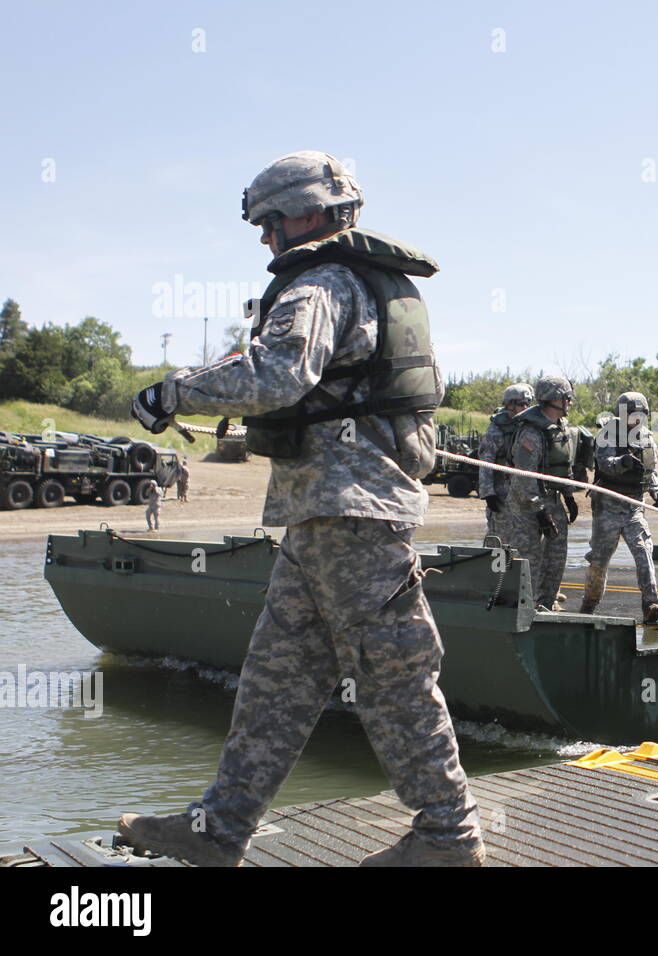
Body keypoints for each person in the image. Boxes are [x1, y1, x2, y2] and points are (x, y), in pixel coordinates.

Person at [122, 150, 482, 866]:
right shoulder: (357, 282)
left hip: (351, 514)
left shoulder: (319, 282)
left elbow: (280, 371)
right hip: (324, 516)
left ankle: (447, 835)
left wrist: (172, 393)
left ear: (308, 214)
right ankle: (217, 832)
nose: (264, 239)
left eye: (269, 223)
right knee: (274, 685)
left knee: (393, 677)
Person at [580, 392, 658, 623]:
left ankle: (651, 602)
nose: (636, 419)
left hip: (634, 506)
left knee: (643, 551)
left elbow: (651, 468)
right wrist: (623, 462)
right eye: (632, 415)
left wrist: (655, 488)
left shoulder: (646, 437)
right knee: (600, 559)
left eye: (640, 415)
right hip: (607, 505)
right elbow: (605, 464)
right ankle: (588, 606)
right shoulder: (607, 434)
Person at [507, 375, 585, 612]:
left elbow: (563, 466)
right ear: (555, 400)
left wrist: (569, 495)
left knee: (557, 555)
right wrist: (539, 511)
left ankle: (546, 604)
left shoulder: (559, 427)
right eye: (567, 398)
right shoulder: (531, 432)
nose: (570, 402)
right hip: (527, 504)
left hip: (553, 499)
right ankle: (523, 607)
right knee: (529, 559)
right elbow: (524, 476)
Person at [477, 382, 533, 545]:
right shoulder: (496, 429)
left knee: (523, 540)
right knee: (499, 539)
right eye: (522, 404)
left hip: (523, 494)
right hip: (502, 494)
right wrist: (488, 494)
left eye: (528, 404)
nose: (526, 407)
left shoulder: (527, 426)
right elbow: (485, 462)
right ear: (510, 405)